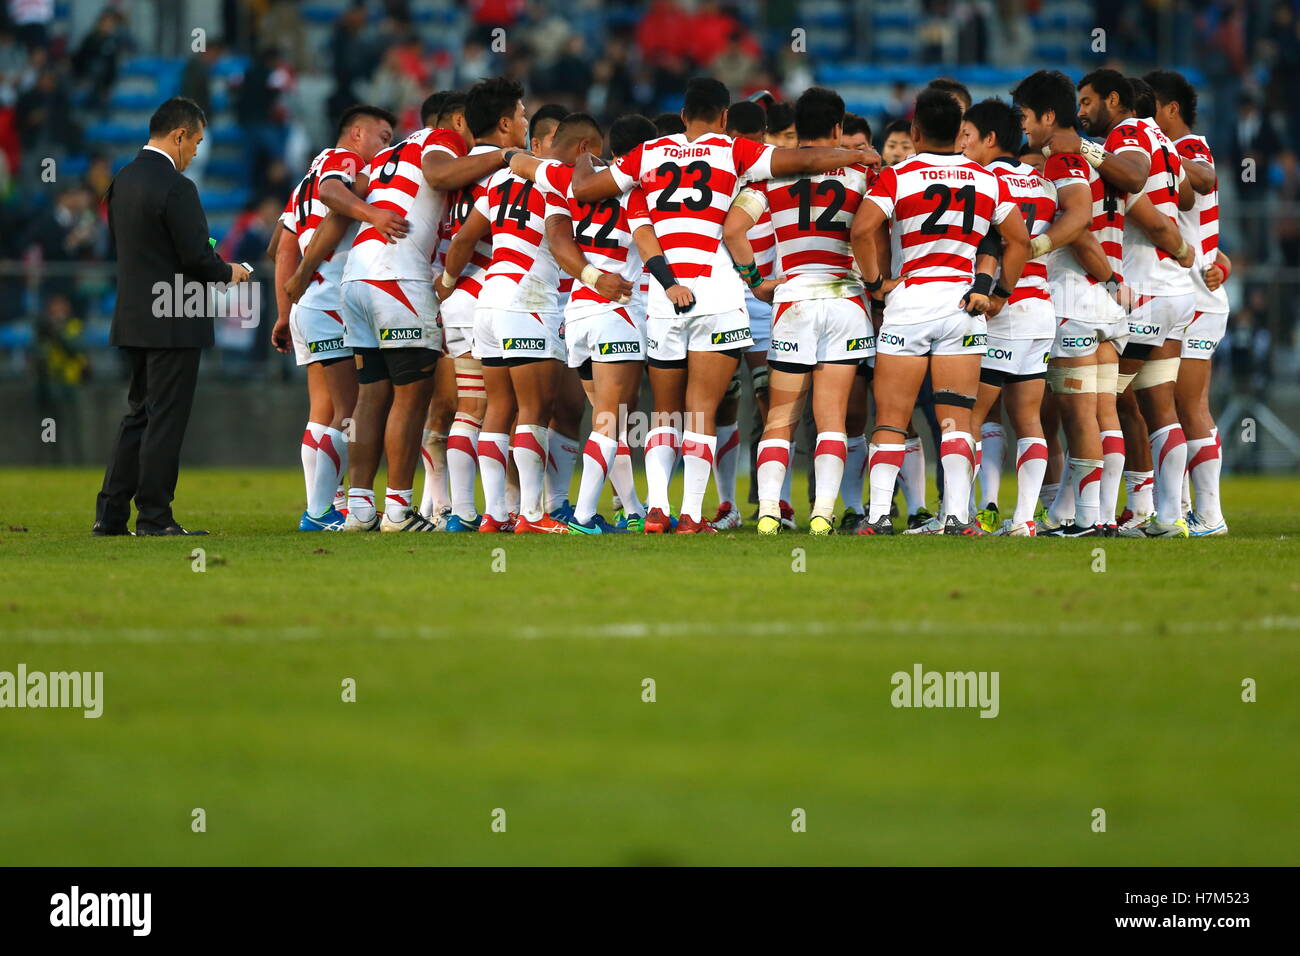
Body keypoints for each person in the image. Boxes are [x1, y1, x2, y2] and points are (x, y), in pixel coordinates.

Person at [572, 76, 873, 533]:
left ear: (685, 111)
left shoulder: (647, 154)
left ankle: (657, 509)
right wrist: (853, 155)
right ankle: (692, 514)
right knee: (703, 409)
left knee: (666, 412)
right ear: (726, 116)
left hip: (663, 297)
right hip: (715, 292)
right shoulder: (734, 150)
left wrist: (584, 164)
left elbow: (587, 190)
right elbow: (803, 159)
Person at [850, 87, 1029, 536]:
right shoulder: (986, 179)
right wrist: (999, 292)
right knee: (957, 419)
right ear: (959, 132)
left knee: (891, 418)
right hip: (961, 306)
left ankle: (876, 518)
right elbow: (1019, 239)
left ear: (915, 131)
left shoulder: (900, 175)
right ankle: (957, 517)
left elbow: (862, 229)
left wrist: (875, 284)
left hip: (909, 303)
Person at [93, 97, 250, 536]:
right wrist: (230, 272)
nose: (196, 152)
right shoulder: (178, 188)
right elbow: (197, 257)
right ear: (179, 135)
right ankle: (155, 518)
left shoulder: (122, 180)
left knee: (139, 414)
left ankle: (110, 515)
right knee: (165, 419)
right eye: (196, 141)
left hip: (133, 317)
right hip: (176, 318)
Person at [725, 86, 875, 536]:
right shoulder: (860, 178)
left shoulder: (769, 179)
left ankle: (769, 511)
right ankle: (823, 514)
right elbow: (872, 233)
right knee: (831, 418)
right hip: (846, 301)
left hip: (793, 302)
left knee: (780, 416)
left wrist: (757, 283)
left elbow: (734, 231)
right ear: (836, 128)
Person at [273, 104, 402, 531]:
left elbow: (281, 246)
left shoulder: (301, 183)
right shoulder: (340, 162)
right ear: (357, 133)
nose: (386, 147)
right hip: (329, 301)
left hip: (310, 302)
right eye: (383, 137)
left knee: (324, 410)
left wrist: (283, 311)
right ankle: (321, 511)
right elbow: (333, 194)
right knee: (349, 411)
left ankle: (331, 505)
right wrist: (372, 213)